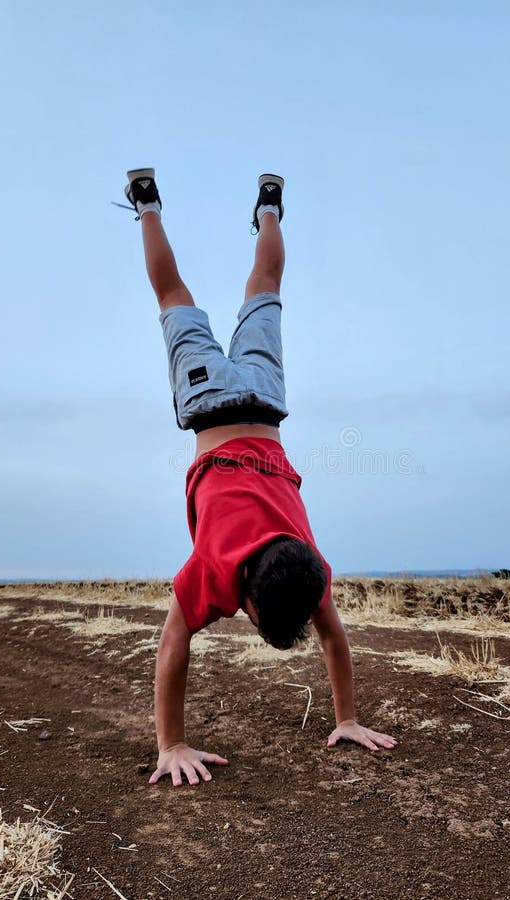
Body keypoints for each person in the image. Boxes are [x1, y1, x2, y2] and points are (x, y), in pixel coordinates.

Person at [123, 168, 397, 787]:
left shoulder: (308, 565)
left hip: (264, 400)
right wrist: (171, 744)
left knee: (264, 284)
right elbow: (173, 644)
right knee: (173, 297)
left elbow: (331, 638)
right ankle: (148, 207)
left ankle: (269, 208)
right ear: (245, 595)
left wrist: (348, 717)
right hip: (210, 406)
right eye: (251, 616)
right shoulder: (218, 567)